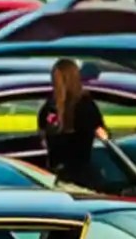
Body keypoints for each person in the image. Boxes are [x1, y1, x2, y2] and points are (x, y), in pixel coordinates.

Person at [38, 58, 106, 190]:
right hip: (81, 178)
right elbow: (103, 136)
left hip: (55, 178)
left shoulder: (49, 109)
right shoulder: (86, 106)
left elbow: (43, 140)